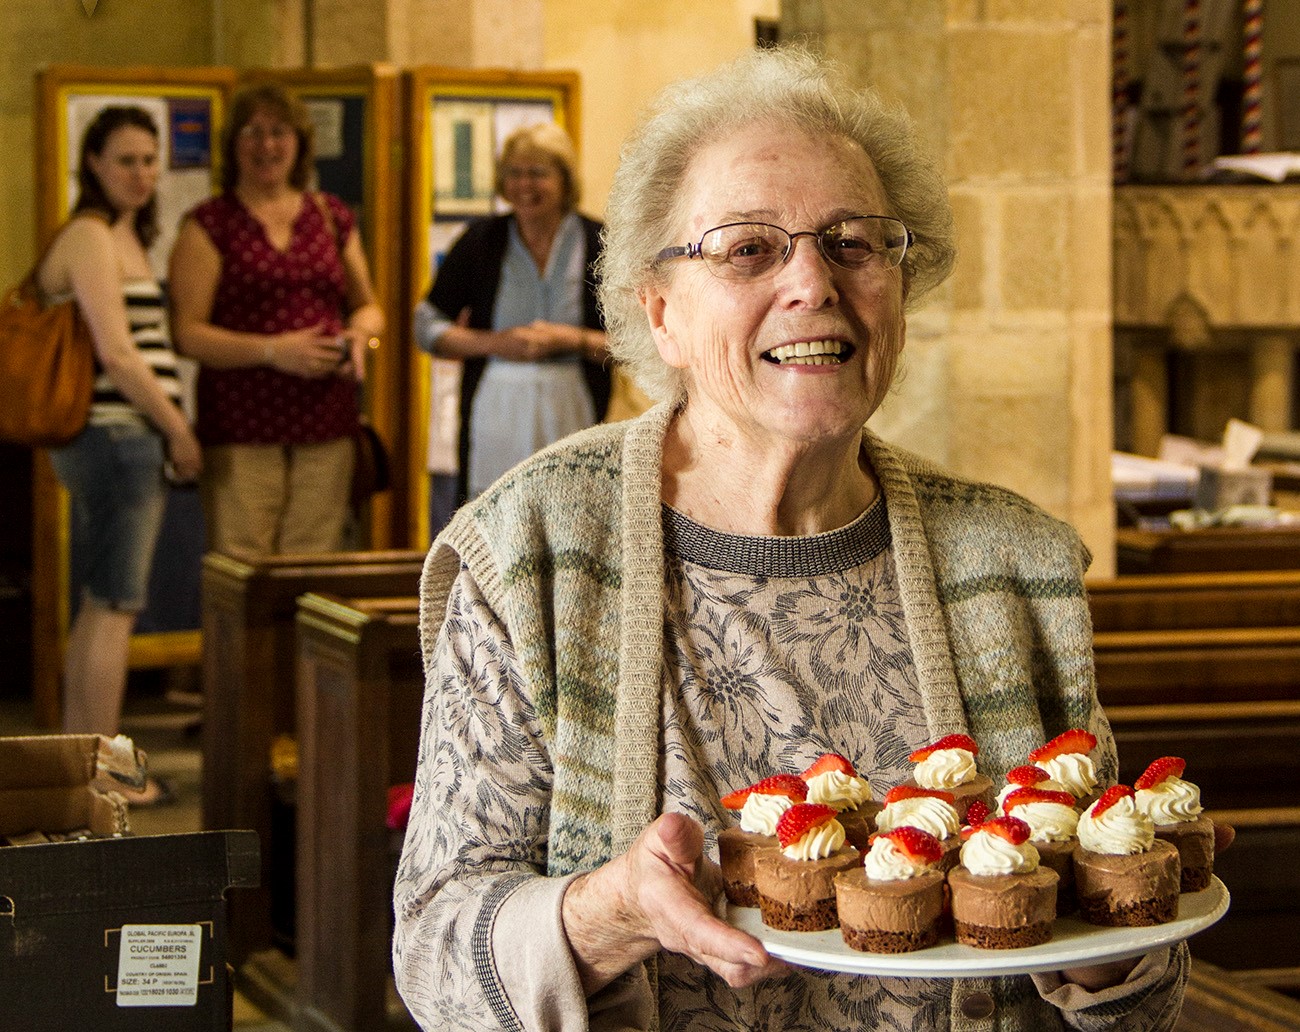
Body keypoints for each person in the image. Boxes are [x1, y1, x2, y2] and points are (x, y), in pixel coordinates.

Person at [394, 47, 1197, 1030]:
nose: (811, 282)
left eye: (855, 244)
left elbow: (1135, 978)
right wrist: (604, 915)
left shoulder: (1011, 564)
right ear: (659, 313)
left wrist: (1105, 966)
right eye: (746, 250)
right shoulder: (533, 555)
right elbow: (436, 961)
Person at [39, 106, 201, 802]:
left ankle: (81, 764)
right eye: (125, 160)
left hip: (126, 437)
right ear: (94, 164)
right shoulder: (91, 234)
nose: (141, 173)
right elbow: (120, 355)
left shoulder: (128, 236)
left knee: (103, 606)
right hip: (117, 435)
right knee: (114, 607)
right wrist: (177, 428)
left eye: (149, 159)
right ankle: (104, 775)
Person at [169, 83, 383, 556]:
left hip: (327, 423)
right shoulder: (210, 223)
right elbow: (187, 334)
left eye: (278, 132)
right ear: (233, 145)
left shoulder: (330, 215)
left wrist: (358, 336)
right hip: (242, 427)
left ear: (300, 143)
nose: (266, 145)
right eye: (252, 132)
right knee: (243, 572)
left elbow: (369, 307)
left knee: (313, 570)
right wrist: (272, 351)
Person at [413, 121, 611, 532]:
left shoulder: (600, 241)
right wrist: (494, 343)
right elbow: (426, 325)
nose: (524, 185)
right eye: (514, 173)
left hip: (573, 407)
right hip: (494, 409)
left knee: (572, 522)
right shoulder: (481, 240)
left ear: (564, 179)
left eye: (538, 173)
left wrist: (571, 339)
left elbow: (639, 341)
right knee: (495, 523)